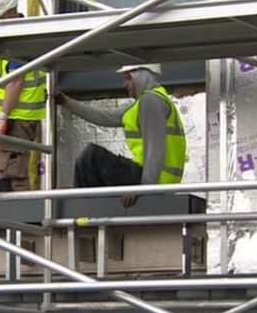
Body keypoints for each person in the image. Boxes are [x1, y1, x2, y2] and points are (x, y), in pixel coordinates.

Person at [57, 63, 186, 207]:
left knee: (91, 157)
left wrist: (145, 186)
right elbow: (104, 116)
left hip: (155, 180)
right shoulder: (143, 103)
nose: (124, 84)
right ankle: (93, 208)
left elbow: (155, 147)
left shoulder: (151, 101)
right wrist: (68, 103)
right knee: (94, 163)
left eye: (128, 78)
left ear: (141, 76)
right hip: (153, 178)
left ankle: (80, 208)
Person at [0, 0, 47, 192]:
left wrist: (2, 117)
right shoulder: (19, 35)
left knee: (12, 172)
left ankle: (19, 220)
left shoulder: (18, 40)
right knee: (8, 170)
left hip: (15, 118)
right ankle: (13, 220)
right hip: (18, 117)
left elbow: (16, 81)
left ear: (9, 13)